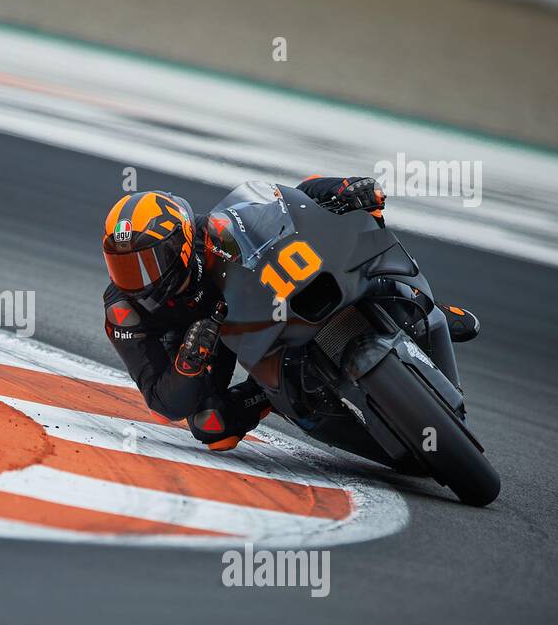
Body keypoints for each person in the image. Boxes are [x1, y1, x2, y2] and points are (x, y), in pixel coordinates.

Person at [101, 178, 479, 450]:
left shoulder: (209, 231)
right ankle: (270, 394)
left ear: (180, 247)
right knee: (210, 425)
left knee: (348, 218)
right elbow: (163, 402)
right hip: (210, 343)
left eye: (147, 264)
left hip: (255, 302)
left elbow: (292, 200)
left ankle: (415, 301)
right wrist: (187, 364)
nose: (140, 281)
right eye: (125, 268)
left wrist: (343, 189)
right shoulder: (125, 310)